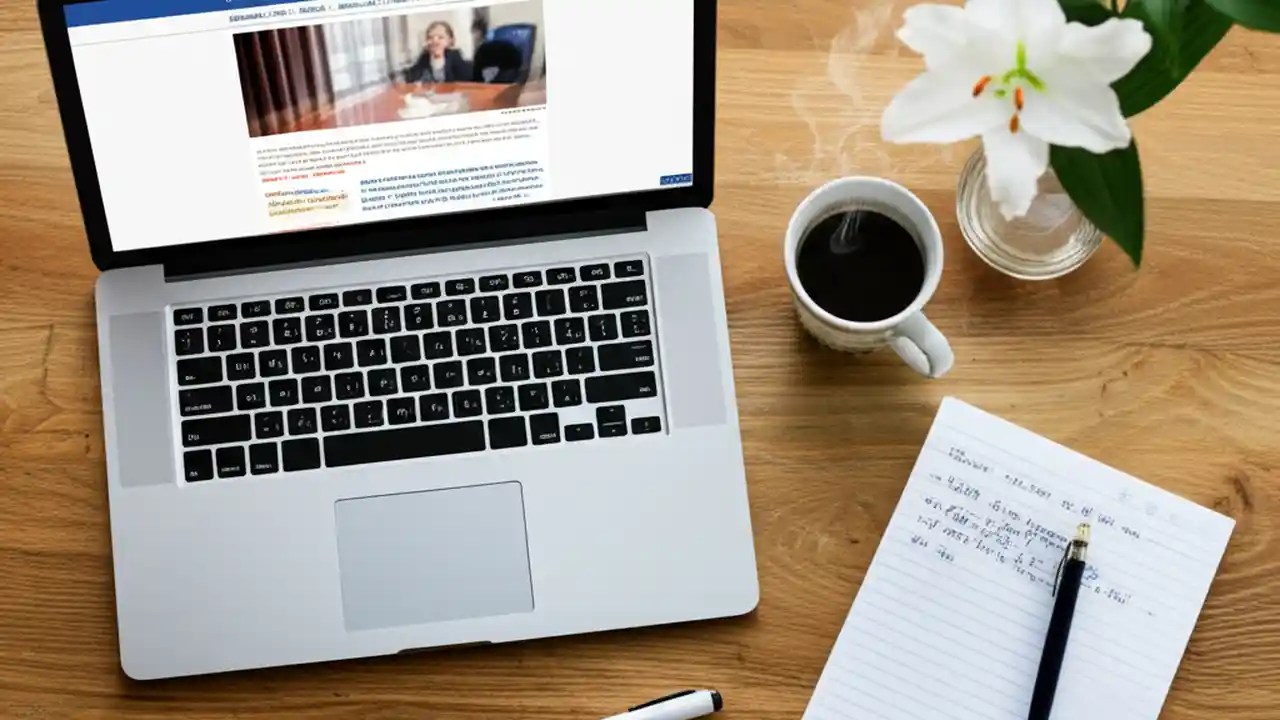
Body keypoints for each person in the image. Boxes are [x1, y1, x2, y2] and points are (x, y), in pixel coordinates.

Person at [402, 21, 471, 84]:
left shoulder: (455, 56)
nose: (435, 41)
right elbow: (411, 76)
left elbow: (466, 80)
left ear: (450, 41)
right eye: (430, 38)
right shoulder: (425, 57)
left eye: (440, 37)